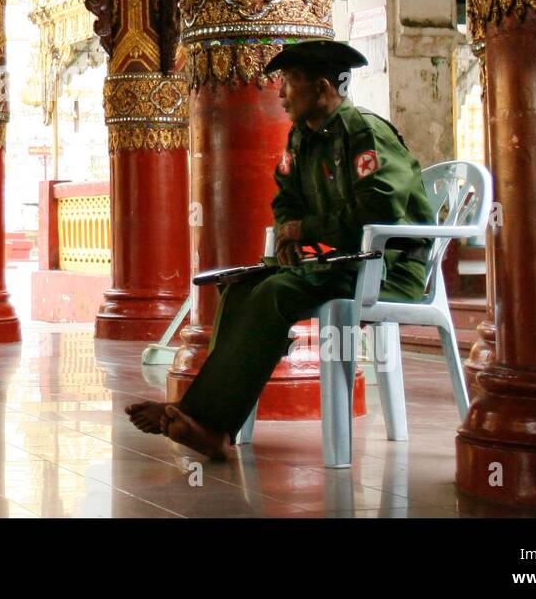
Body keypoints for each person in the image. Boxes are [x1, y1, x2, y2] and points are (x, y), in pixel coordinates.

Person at [125, 40, 434, 460]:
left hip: (391, 268)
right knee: (241, 287)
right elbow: (285, 197)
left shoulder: (363, 132)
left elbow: (379, 208)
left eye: (290, 83)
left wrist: (306, 227)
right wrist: (289, 235)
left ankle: (205, 420)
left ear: (323, 88)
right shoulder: (302, 138)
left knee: (276, 293)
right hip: (350, 263)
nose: (281, 94)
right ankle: (210, 423)